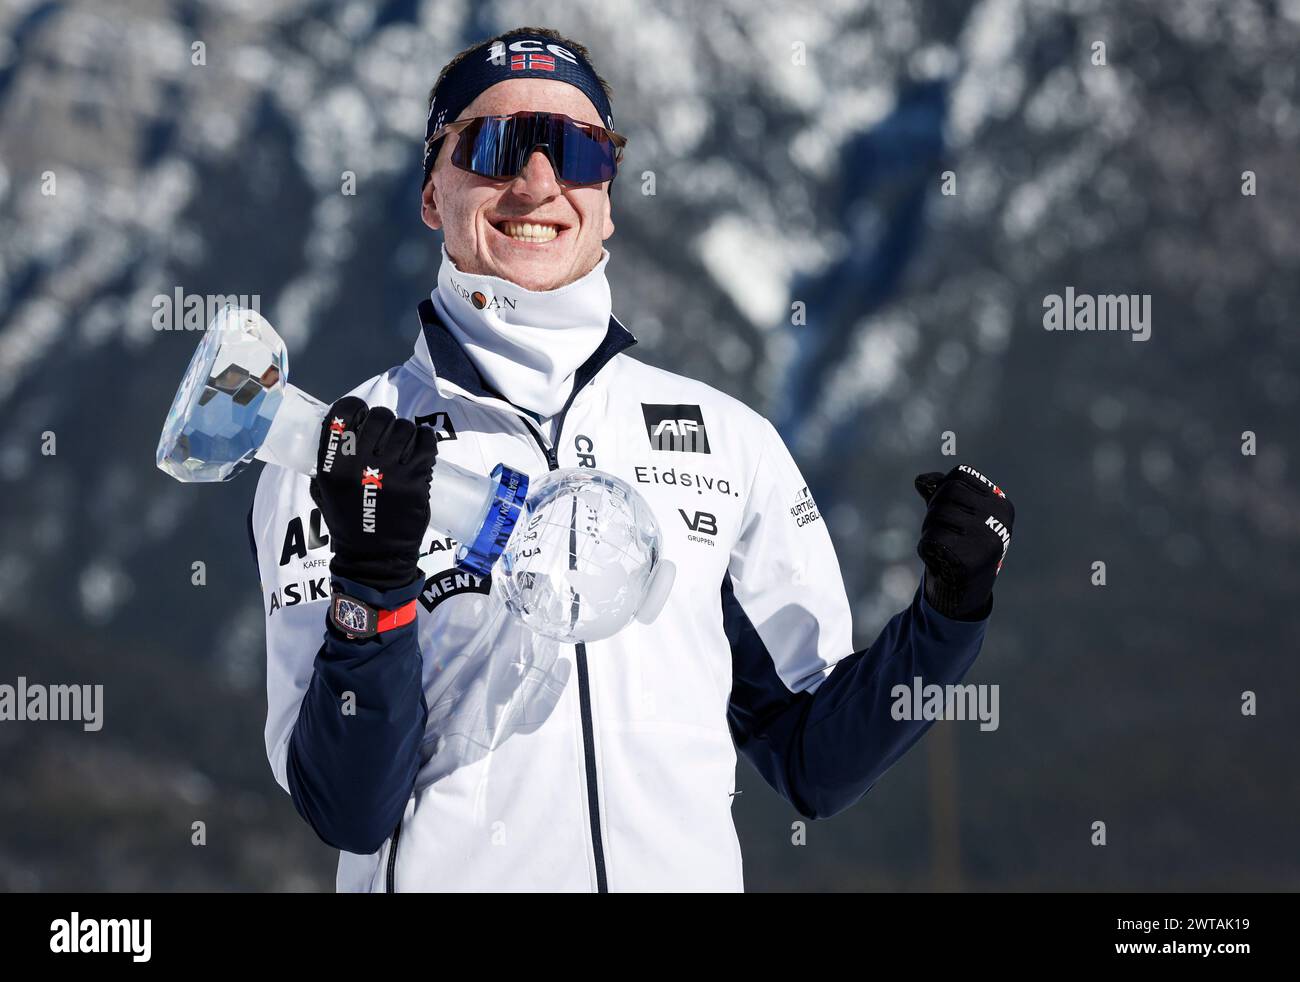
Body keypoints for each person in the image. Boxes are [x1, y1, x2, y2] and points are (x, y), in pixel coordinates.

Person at [248, 26, 1016, 892]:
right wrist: (374, 581)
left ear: (608, 196)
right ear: (433, 192)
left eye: (576, 151)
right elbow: (349, 808)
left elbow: (815, 760)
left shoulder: (731, 442)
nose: (537, 181)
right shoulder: (336, 451)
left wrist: (950, 616)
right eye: (496, 144)